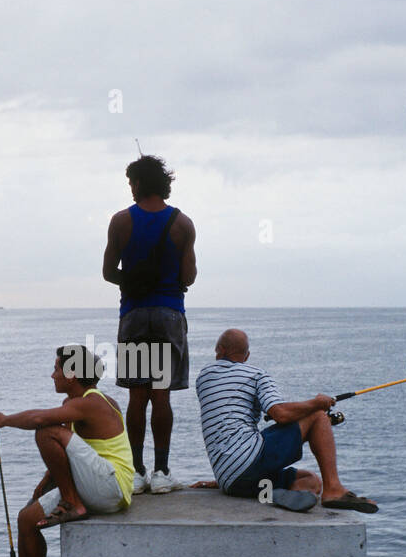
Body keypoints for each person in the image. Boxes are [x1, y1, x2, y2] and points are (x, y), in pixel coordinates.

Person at [0, 345, 134, 557]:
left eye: (57, 369)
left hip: (110, 487)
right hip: (99, 485)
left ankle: (72, 503)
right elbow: (72, 449)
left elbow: (41, 420)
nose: (52, 375)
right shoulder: (78, 406)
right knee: (26, 519)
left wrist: (4, 420)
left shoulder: (92, 402)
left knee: (45, 431)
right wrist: (44, 484)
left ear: (72, 373)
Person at [193, 328, 379, 513]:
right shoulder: (256, 375)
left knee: (310, 480)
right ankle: (333, 490)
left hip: (231, 482)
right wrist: (317, 403)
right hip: (248, 462)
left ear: (219, 350)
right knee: (317, 416)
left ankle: (272, 493)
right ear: (247, 356)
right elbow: (280, 414)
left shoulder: (204, 376)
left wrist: (228, 474)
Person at [102, 154, 196, 495]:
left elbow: (109, 272)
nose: (130, 189)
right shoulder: (183, 224)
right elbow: (189, 276)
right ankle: (162, 472)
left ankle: (138, 472)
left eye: (131, 183)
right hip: (169, 313)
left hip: (135, 313)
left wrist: (134, 280)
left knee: (137, 397)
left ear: (139, 183)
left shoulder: (121, 222)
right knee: (162, 395)